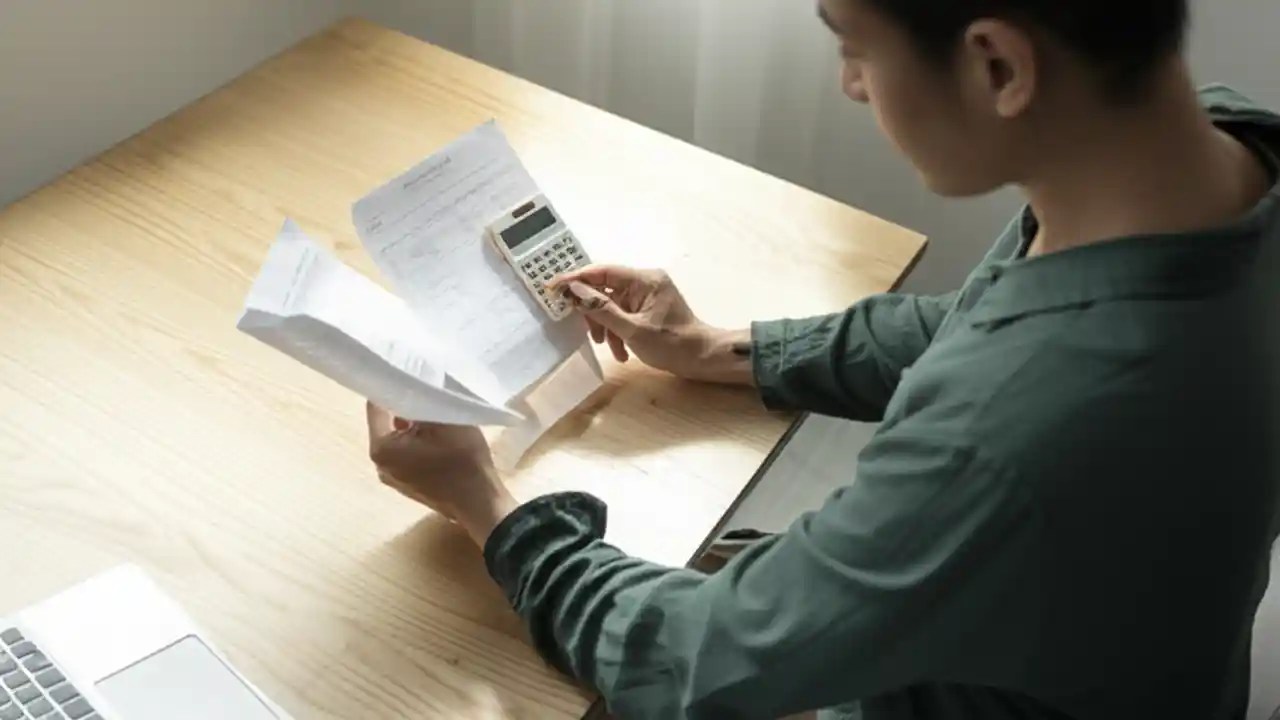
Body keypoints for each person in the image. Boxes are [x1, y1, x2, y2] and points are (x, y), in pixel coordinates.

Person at [365, 0, 1280, 717]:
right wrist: (722, 349)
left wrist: (483, 504)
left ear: (997, 64)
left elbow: (691, 662)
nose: (850, 83)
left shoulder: (1012, 438)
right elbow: (978, 319)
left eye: (854, 46)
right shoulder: (1224, 156)